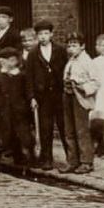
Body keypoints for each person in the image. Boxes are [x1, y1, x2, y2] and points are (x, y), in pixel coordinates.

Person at [0, 46, 34, 174]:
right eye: (4, 60)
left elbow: (28, 93)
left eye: (10, 60)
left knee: (22, 136)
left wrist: (29, 103)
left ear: (16, 61)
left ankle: (24, 161)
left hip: (19, 111)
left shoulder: (22, 77)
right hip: (1, 112)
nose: (6, 62)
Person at [26, 20, 69, 171]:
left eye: (46, 33)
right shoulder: (33, 54)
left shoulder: (60, 50)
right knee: (45, 128)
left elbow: (66, 69)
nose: (43, 37)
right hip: (42, 96)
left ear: (51, 34)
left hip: (59, 94)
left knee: (65, 126)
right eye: (40, 34)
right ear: (37, 36)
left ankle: (71, 158)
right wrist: (31, 97)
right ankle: (47, 159)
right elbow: (29, 77)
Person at [60, 32, 98, 174]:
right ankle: (72, 161)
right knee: (69, 130)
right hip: (68, 96)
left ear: (82, 46)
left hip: (80, 98)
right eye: (69, 45)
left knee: (82, 130)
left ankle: (86, 162)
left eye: (75, 45)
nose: (71, 48)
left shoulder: (88, 62)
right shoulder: (71, 61)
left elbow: (96, 82)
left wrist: (82, 87)